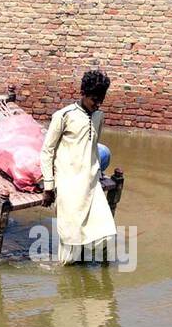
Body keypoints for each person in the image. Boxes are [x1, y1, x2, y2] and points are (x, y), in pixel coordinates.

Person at [41, 69, 118, 263]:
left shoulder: (99, 116)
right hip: (68, 184)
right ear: (82, 93)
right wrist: (49, 187)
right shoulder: (64, 116)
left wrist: (98, 172)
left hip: (91, 182)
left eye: (101, 99)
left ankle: (93, 284)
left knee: (106, 232)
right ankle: (67, 284)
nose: (97, 104)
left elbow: (93, 148)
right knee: (70, 242)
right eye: (94, 99)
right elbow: (47, 151)